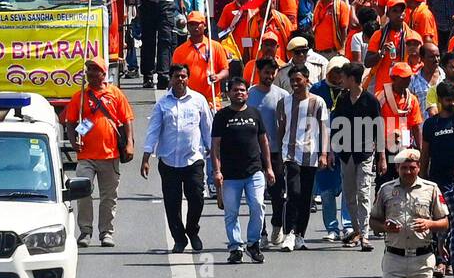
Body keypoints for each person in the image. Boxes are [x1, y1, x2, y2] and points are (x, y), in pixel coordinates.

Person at [368, 148, 449, 278]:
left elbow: (445, 221)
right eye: (404, 168)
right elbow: (373, 220)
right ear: (397, 168)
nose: (408, 172)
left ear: (419, 167)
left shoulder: (431, 189)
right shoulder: (386, 190)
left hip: (422, 258)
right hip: (394, 258)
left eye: (412, 167)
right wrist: (385, 227)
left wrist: (429, 224)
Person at [141, 62, 213, 254]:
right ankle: (179, 239)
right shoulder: (162, 104)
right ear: (171, 79)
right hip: (169, 162)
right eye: (176, 77)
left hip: (193, 160)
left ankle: (192, 230)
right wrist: (146, 157)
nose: (180, 80)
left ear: (187, 78)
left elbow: (208, 129)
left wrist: (215, 157)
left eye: (183, 76)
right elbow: (153, 131)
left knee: (197, 198)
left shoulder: (198, 100)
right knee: (172, 204)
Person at [63, 56, 134, 247]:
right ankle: (85, 232)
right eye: (89, 70)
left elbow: (127, 120)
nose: (91, 74)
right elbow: (70, 122)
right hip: (86, 155)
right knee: (83, 195)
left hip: (110, 155)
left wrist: (129, 143)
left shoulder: (115, 94)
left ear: (103, 73)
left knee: (108, 197)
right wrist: (73, 140)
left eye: (95, 70)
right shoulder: (80, 96)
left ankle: (106, 233)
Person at [212, 76, 276, 264]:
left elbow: (264, 141)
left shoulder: (255, 113)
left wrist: (269, 168)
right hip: (230, 175)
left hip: (254, 172)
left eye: (242, 90)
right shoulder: (221, 116)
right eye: (235, 90)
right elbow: (215, 146)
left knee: (257, 206)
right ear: (228, 93)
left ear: (247, 93)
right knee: (231, 213)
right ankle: (235, 248)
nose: (239, 93)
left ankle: (253, 244)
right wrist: (217, 171)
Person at [272, 64, 330, 251]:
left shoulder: (318, 102)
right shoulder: (284, 102)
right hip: (290, 154)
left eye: (298, 80)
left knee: (306, 197)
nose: (295, 83)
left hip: (311, 155)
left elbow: (324, 129)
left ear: (306, 80)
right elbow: (280, 129)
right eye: (292, 80)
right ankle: (289, 233)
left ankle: (300, 235)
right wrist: (278, 153)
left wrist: (323, 154)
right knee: (293, 193)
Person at [331, 60, 386, 251]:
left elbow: (378, 128)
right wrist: (333, 151)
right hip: (346, 153)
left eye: (344, 77)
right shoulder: (342, 99)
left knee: (363, 193)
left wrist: (382, 156)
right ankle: (357, 230)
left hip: (364, 152)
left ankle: (365, 236)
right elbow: (336, 125)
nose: (341, 80)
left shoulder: (371, 101)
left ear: (352, 79)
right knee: (349, 196)